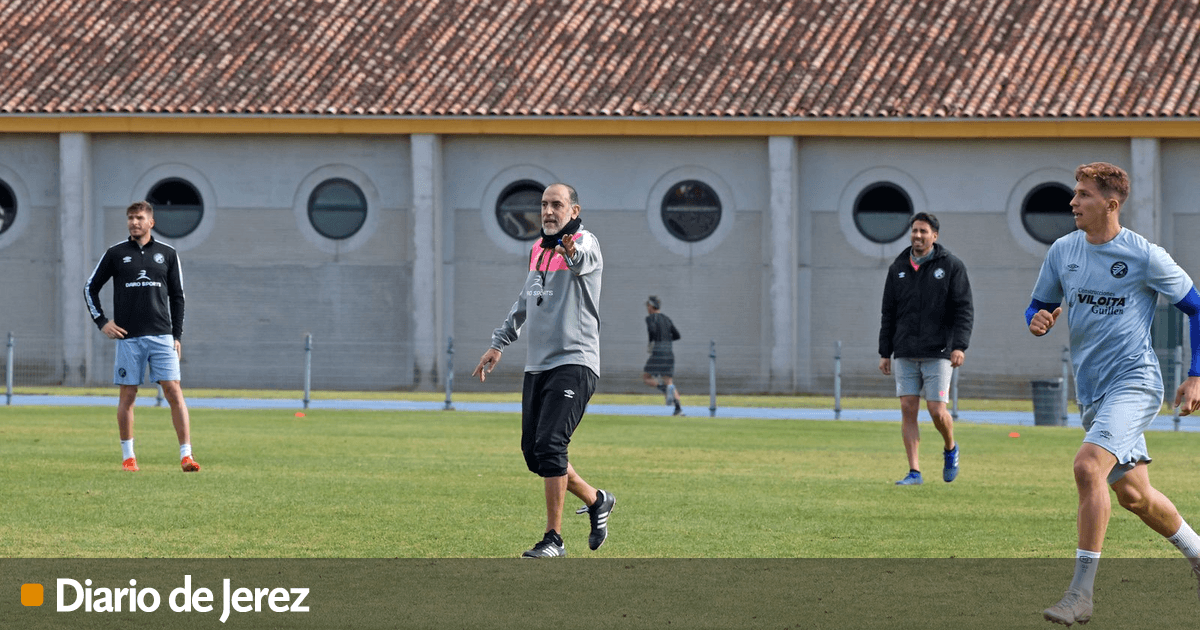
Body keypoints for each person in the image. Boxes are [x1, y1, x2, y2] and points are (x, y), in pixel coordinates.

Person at [1029, 162, 1200, 626]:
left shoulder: (1144, 255)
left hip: (1136, 382)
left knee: (1088, 467)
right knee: (1135, 496)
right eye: (1074, 193)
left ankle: (1080, 595)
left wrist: (1196, 374)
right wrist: (1038, 319)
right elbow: (1039, 303)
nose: (1073, 202)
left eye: (1083, 195)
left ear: (1111, 203)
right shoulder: (1064, 251)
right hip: (1093, 393)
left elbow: (1197, 307)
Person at [472, 183, 615, 558]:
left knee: (552, 445)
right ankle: (597, 499)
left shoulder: (586, 243)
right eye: (544, 205)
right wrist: (499, 342)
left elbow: (581, 258)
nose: (548, 211)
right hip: (538, 365)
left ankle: (554, 539)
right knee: (536, 455)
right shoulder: (538, 250)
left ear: (573, 209)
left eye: (557, 205)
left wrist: (571, 250)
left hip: (575, 361)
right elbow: (525, 299)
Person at [84, 201, 200, 473]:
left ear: (151, 222)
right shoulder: (115, 253)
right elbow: (90, 288)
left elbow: (178, 297)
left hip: (162, 336)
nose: (134, 222)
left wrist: (177, 335)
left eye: (139, 218)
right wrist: (102, 321)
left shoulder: (168, 254)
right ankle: (129, 458)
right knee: (128, 396)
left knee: (174, 393)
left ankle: (186, 456)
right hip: (129, 338)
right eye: (130, 218)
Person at [878, 212, 973, 486]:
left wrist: (959, 346)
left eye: (923, 231)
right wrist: (885, 352)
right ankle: (914, 471)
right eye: (914, 231)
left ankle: (950, 447)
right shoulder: (898, 267)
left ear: (935, 236)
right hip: (905, 350)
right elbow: (888, 312)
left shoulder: (952, 266)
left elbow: (963, 309)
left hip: (939, 351)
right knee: (908, 408)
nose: (918, 236)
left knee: (936, 411)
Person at [642, 295, 684, 416]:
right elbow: (677, 335)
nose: (647, 308)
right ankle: (678, 408)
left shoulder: (650, 318)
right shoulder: (667, 319)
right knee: (669, 381)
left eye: (648, 306)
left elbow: (652, 331)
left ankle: (664, 390)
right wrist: (667, 339)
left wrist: (651, 342)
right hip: (669, 353)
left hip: (658, 352)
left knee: (646, 377)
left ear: (651, 306)